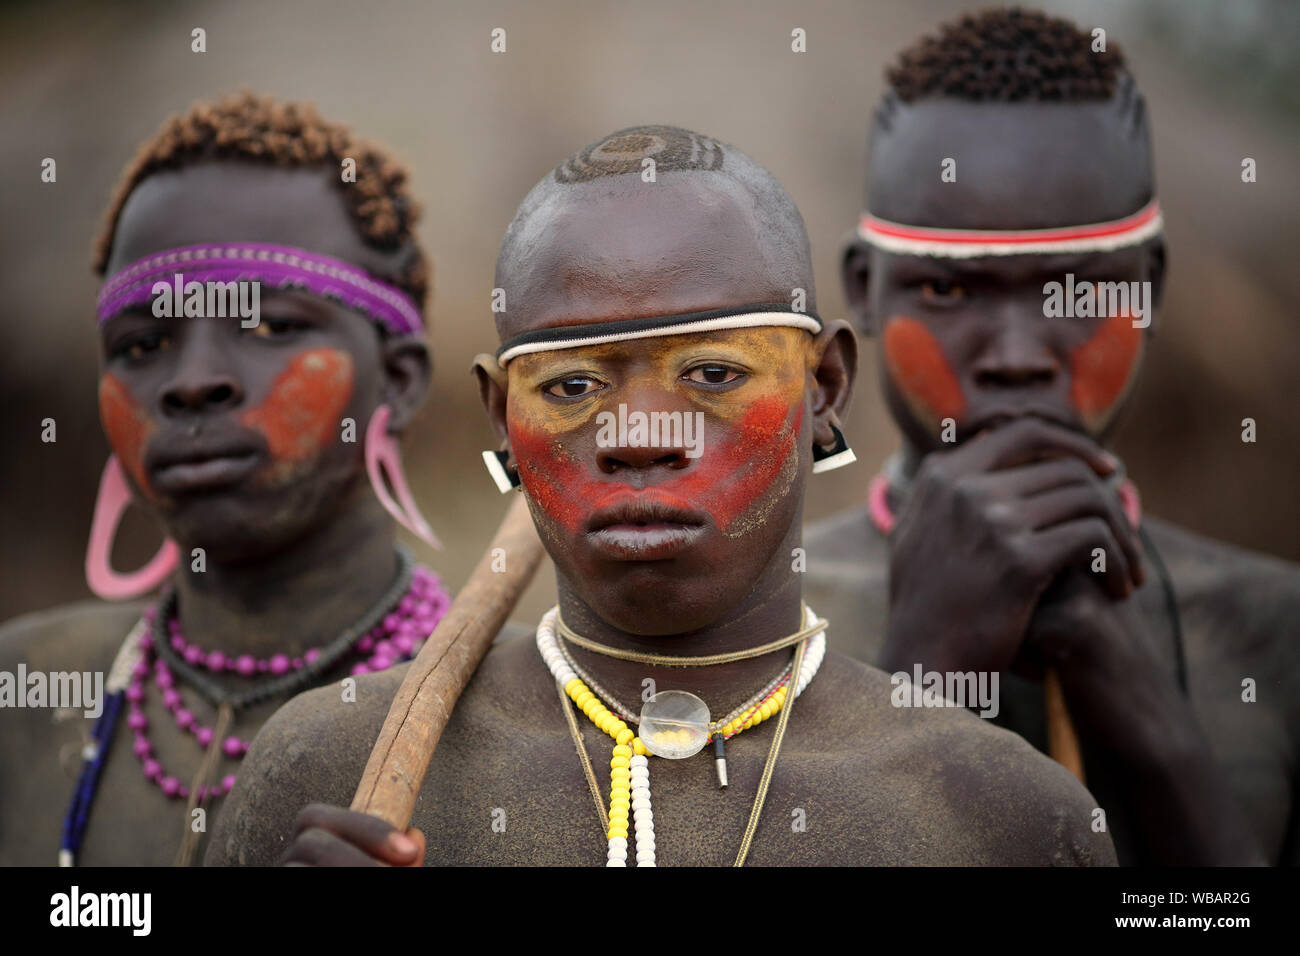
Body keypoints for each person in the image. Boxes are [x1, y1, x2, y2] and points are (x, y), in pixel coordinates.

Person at [209, 125, 1115, 867]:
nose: (640, 434)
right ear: (500, 416)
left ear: (826, 386)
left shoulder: (1012, 821)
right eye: (570, 387)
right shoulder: (330, 774)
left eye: (714, 373)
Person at [803, 8, 1297, 865]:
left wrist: (1144, 718)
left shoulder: (1276, 631)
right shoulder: (750, 623)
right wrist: (924, 674)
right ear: (865, 290)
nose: (1020, 357)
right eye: (951, 293)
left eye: (1078, 291)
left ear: (1148, 288)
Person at [0, 93, 451, 865]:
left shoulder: (523, 718)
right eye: (143, 344)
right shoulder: (26, 690)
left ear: (400, 381)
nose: (192, 381)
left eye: (269, 326)